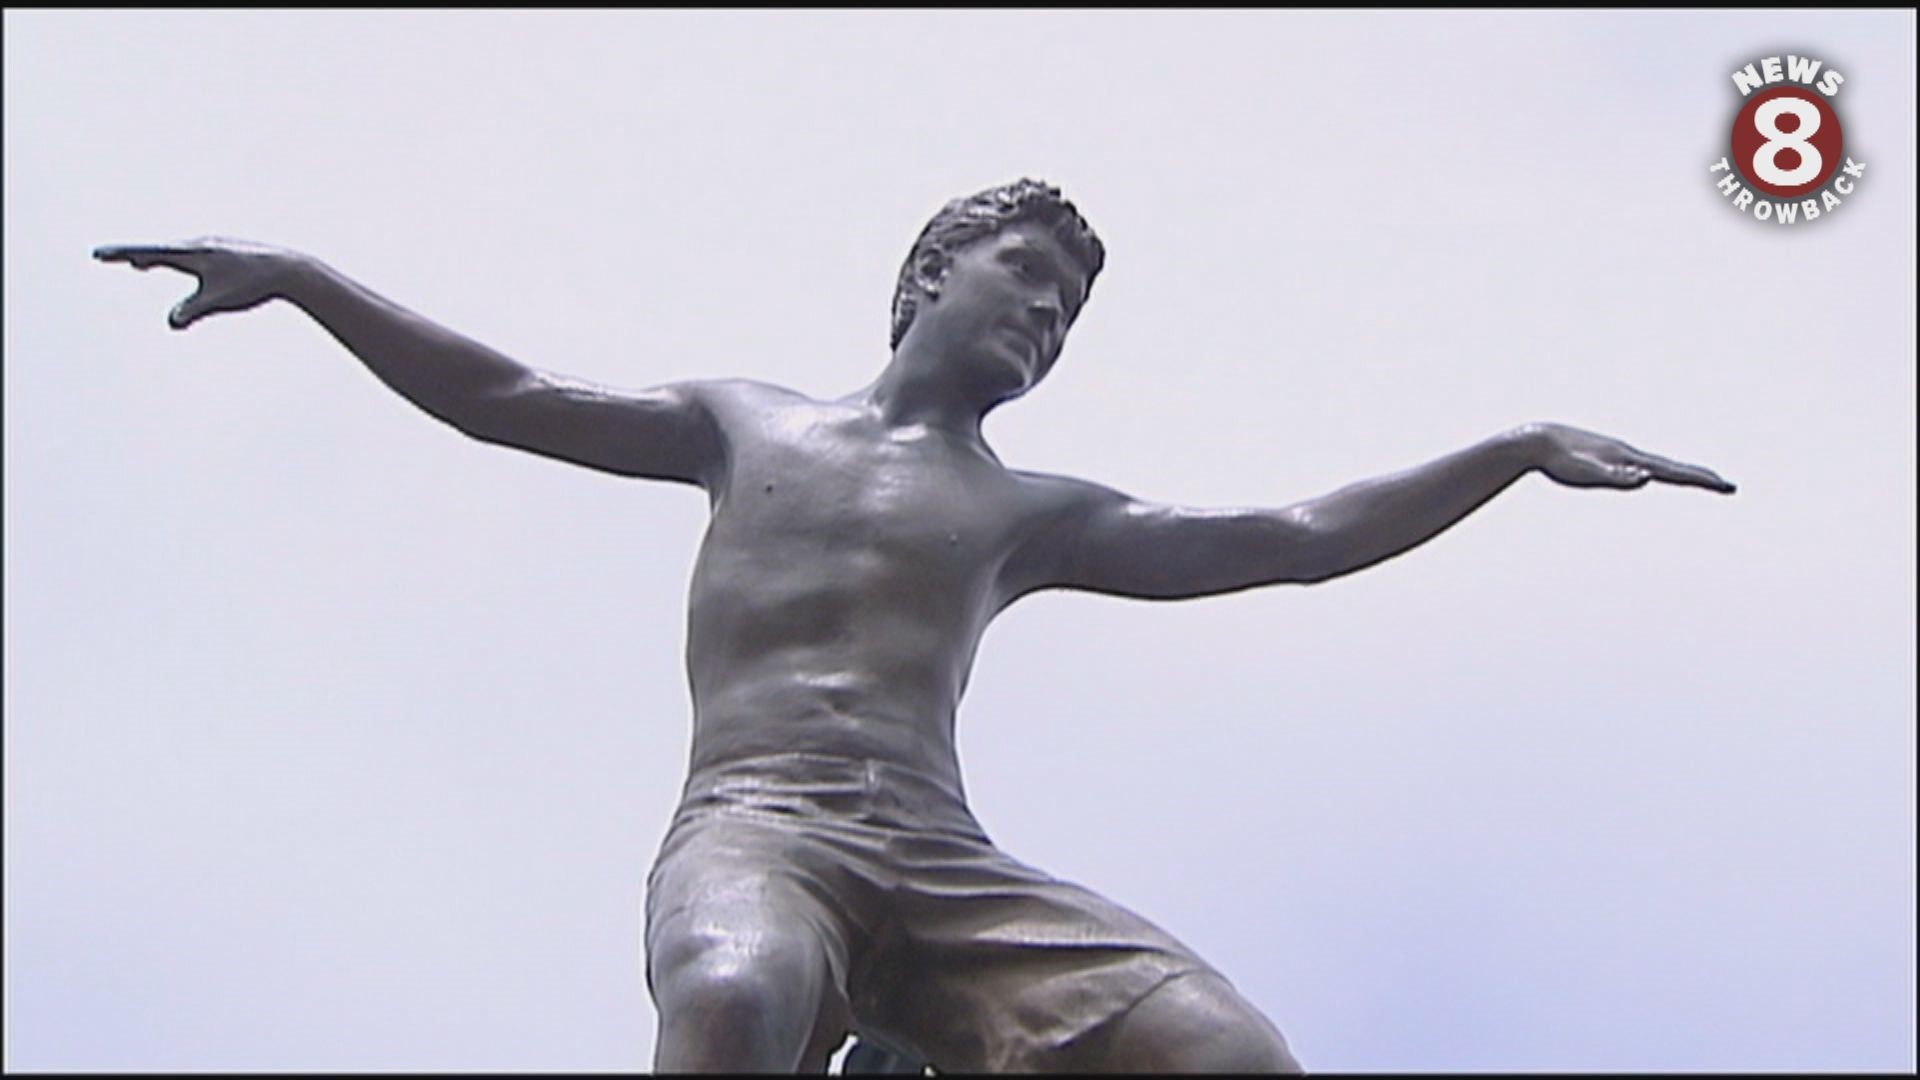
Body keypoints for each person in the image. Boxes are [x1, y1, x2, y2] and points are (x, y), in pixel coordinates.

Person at [96, 179, 1734, 1073]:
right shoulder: (744, 424)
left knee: (1230, 1058)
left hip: (947, 863)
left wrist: (1507, 453)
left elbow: (1289, 542)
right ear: (926, 278)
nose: (1045, 317)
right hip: (762, 828)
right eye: (1023, 277)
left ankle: (914, 1054)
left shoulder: (1033, 514)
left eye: (1070, 312)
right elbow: (510, 397)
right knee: (734, 999)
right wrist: (310, 277)